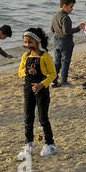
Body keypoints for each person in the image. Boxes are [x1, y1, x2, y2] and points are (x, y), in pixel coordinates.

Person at [16, 27, 57, 159]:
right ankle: (29, 143)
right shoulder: (25, 56)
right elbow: (20, 72)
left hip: (42, 90)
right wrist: (28, 72)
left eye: (30, 42)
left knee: (43, 118)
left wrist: (41, 85)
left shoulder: (45, 57)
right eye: (25, 42)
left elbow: (53, 74)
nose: (27, 45)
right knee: (28, 117)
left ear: (37, 42)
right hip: (28, 89)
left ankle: (50, 144)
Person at [50, 0, 77, 88]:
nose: (72, 9)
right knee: (65, 61)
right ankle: (64, 81)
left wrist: (58, 33)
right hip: (65, 42)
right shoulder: (65, 17)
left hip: (56, 41)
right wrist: (78, 28)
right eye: (71, 7)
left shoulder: (55, 16)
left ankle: (53, 80)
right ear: (64, 6)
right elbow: (67, 32)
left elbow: (52, 29)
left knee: (57, 62)